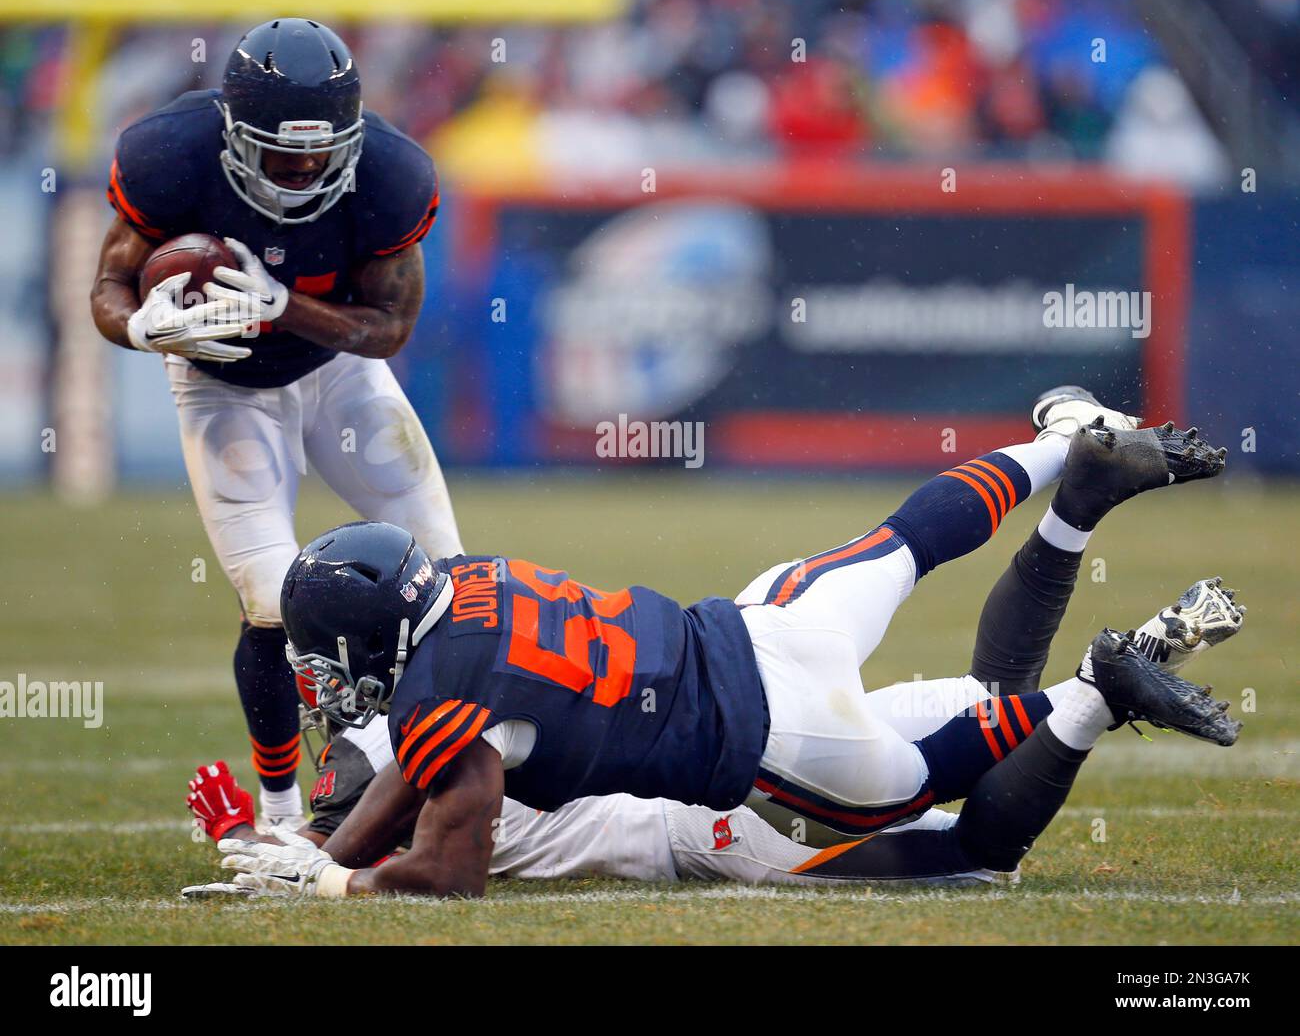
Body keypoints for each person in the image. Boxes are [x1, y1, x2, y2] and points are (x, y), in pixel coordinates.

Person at [206, 387, 1241, 898]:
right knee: (902, 541)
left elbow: (450, 856)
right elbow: (411, 774)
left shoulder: (433, 708)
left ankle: (1096, 690)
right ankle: (1062, 437)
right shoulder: (472, 580)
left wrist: (323, 870)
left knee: (966, 834)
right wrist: (308, 845)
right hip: (753, 622)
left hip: (769, 743)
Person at [182, 569, 1242, 896]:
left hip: (703, 812)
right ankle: (1120, 636)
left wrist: (301, 856)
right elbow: (363, 810)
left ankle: (1102, 689)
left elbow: (400, 837)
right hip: (730, 724)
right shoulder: (444, 667)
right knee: (977, 701)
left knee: (974, 858)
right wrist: (292, 838)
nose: (321, 698)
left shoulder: (411, 738)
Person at [89, 18, 463, 828]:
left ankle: (459, 785)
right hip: (220, 385)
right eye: (282, 151)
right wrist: (143, 328)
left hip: (339, 376)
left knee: (449, 580)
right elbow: (109, 291)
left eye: (319, 152)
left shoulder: (390, 175)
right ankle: (286, 810)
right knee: (274, 596)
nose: (302, 170)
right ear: (231, 131)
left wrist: (286, 307)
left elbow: (391, 326)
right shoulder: (168, 156)